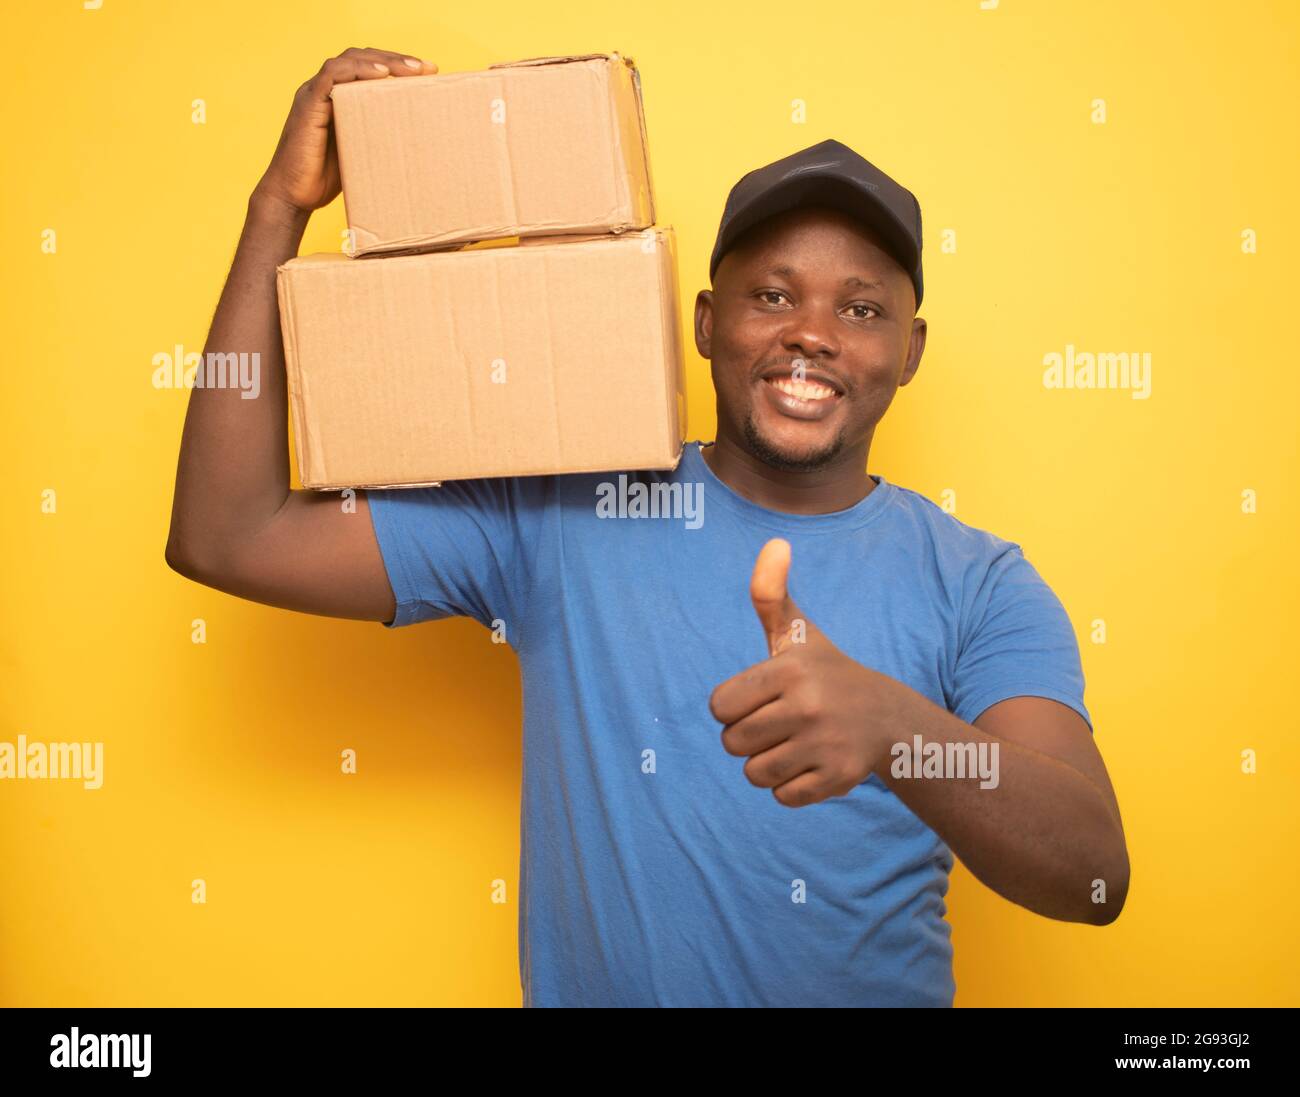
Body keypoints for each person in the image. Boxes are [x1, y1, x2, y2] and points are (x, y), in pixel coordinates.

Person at [166, 46, 1130, 1007]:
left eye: (863, 307)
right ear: (706, 322)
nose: (814, 333)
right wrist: (275, 213)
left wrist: (898, 731)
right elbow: (229, 532)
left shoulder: (981, 582)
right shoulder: (562, 508)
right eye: (774, 295)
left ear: (909, 352)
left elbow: (1094, 873)